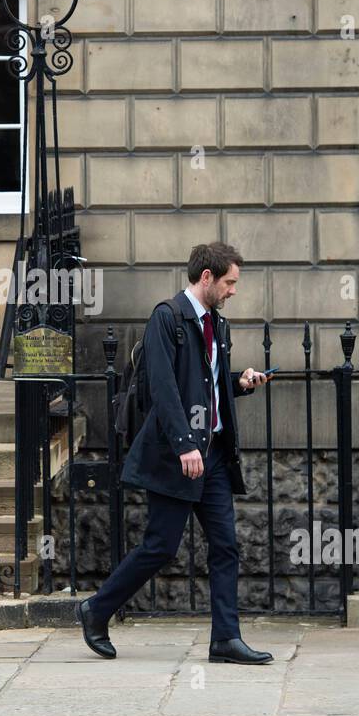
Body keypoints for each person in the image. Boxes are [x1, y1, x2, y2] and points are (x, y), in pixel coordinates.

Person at [78, 242, 274, 664]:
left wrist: (240, 381)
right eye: (229, 283)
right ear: (207, 277)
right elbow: (164, 390)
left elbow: (207, 384)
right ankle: (95, 609)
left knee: (226, 546)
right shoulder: (167, 319)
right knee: (161, 546)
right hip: (179, 456)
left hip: (215, 455)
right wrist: (185, 444)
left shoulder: (217, 324)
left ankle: (225, 638)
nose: (233, 291)